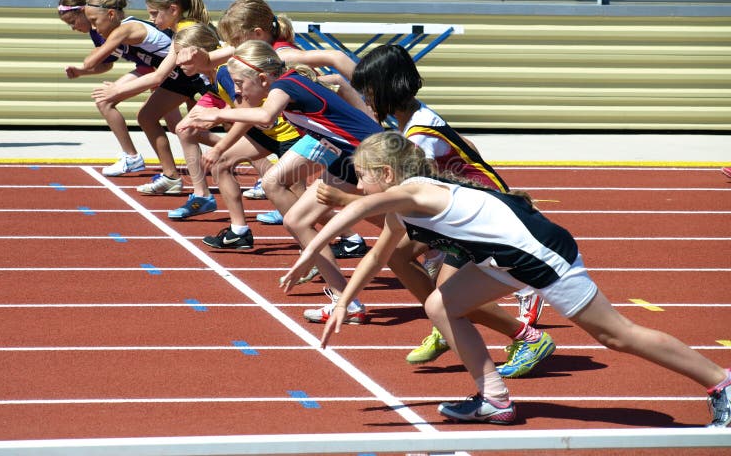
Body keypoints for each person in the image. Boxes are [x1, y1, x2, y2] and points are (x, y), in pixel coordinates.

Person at [282, 131, 731, 427]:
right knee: (441, 304)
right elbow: (380, 252)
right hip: (505, 261)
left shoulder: (415, 191)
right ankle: (495, 399)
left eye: (361, 175)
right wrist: (344, 299)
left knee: (616, 335)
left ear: (384, 175)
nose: (357, 183)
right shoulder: (401, 204)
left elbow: (358, 207)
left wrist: (319, 234)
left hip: (542, 254)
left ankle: (721, 382)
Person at [317, 44, 552, 378]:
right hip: (456, 209)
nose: (366, 98)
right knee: (398, 256)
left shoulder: (417, 135)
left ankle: (528, 338)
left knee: (447, 295)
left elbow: (406, 197)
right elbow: (467, 148)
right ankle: (444, 326)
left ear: (385, 88)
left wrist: (347, 202)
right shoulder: (414, 118)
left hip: (479, 217)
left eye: (368, 91)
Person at [177, 39, 384, 322]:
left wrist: (218, 113)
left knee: (394, 227)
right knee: (298, 215)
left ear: (262, 78)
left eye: (239, 83)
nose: (236, 91)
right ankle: (344, 300)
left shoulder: (284, 86)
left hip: (364, 155)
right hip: (347, 153)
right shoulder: (291, 81)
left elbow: (264, 116)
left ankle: (352, 295)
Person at [177, 0, 370, 256]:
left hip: (301, 133)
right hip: (273, 129)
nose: (231, 47)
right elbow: (213, 60)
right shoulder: (253, 51)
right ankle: (239, 232)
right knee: (234, 169)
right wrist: (199, 54)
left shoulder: (282, 55)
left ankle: (347, 238)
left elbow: (336, 59)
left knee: (303, 197)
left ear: (257, 33)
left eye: (234, 41)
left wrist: (373, 95)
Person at [85, 0, 198, 194]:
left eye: (155, 14)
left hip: (195, 79)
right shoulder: (173, 33)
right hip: (177, 77)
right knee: (167, 124)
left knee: (206, 129)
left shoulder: (125, 30)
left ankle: (256, 167)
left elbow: (92, 62)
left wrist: (118, 90)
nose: (152, 20)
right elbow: (153, 70)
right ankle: (175, 178)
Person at [60, 0, 177, 177]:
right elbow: (107, 64)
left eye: (73, 22)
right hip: (154, 70)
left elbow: (93, 60)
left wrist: (85, 66)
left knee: (180, 127)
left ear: (85, 11)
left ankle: (223, 155)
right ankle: (145, 163)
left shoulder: (115, 29)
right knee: (173, 125)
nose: (73, 28)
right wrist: (81, 71)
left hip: (168, 71)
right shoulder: (102, 28)